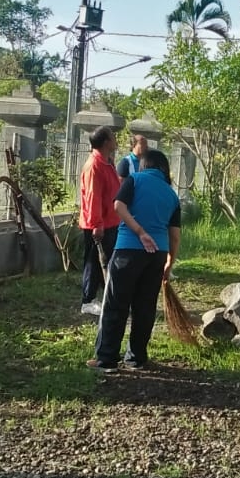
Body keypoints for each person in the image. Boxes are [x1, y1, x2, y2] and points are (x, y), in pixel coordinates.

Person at [88, 149, 181, 373]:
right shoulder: (171, 194)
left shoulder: (134, 180)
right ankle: (136, 359)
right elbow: (175, 235)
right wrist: (169, 263)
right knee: (145, 307)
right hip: (157, 255)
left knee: (115, 305)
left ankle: (107, 359)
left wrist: (140, 232)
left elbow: (118, 206)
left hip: (128, 251)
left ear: (144, 164)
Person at [79, 126, 121, 316]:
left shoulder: (107, 162)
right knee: (93, 262)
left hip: (111, 222)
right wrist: (97, 224)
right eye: (113, 137)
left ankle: (107, 297)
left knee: (107, 262)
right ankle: (87, 300)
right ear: (106, 142)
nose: (115, 140)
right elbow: (92, 197)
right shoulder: (94, 165)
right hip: (98, 224)